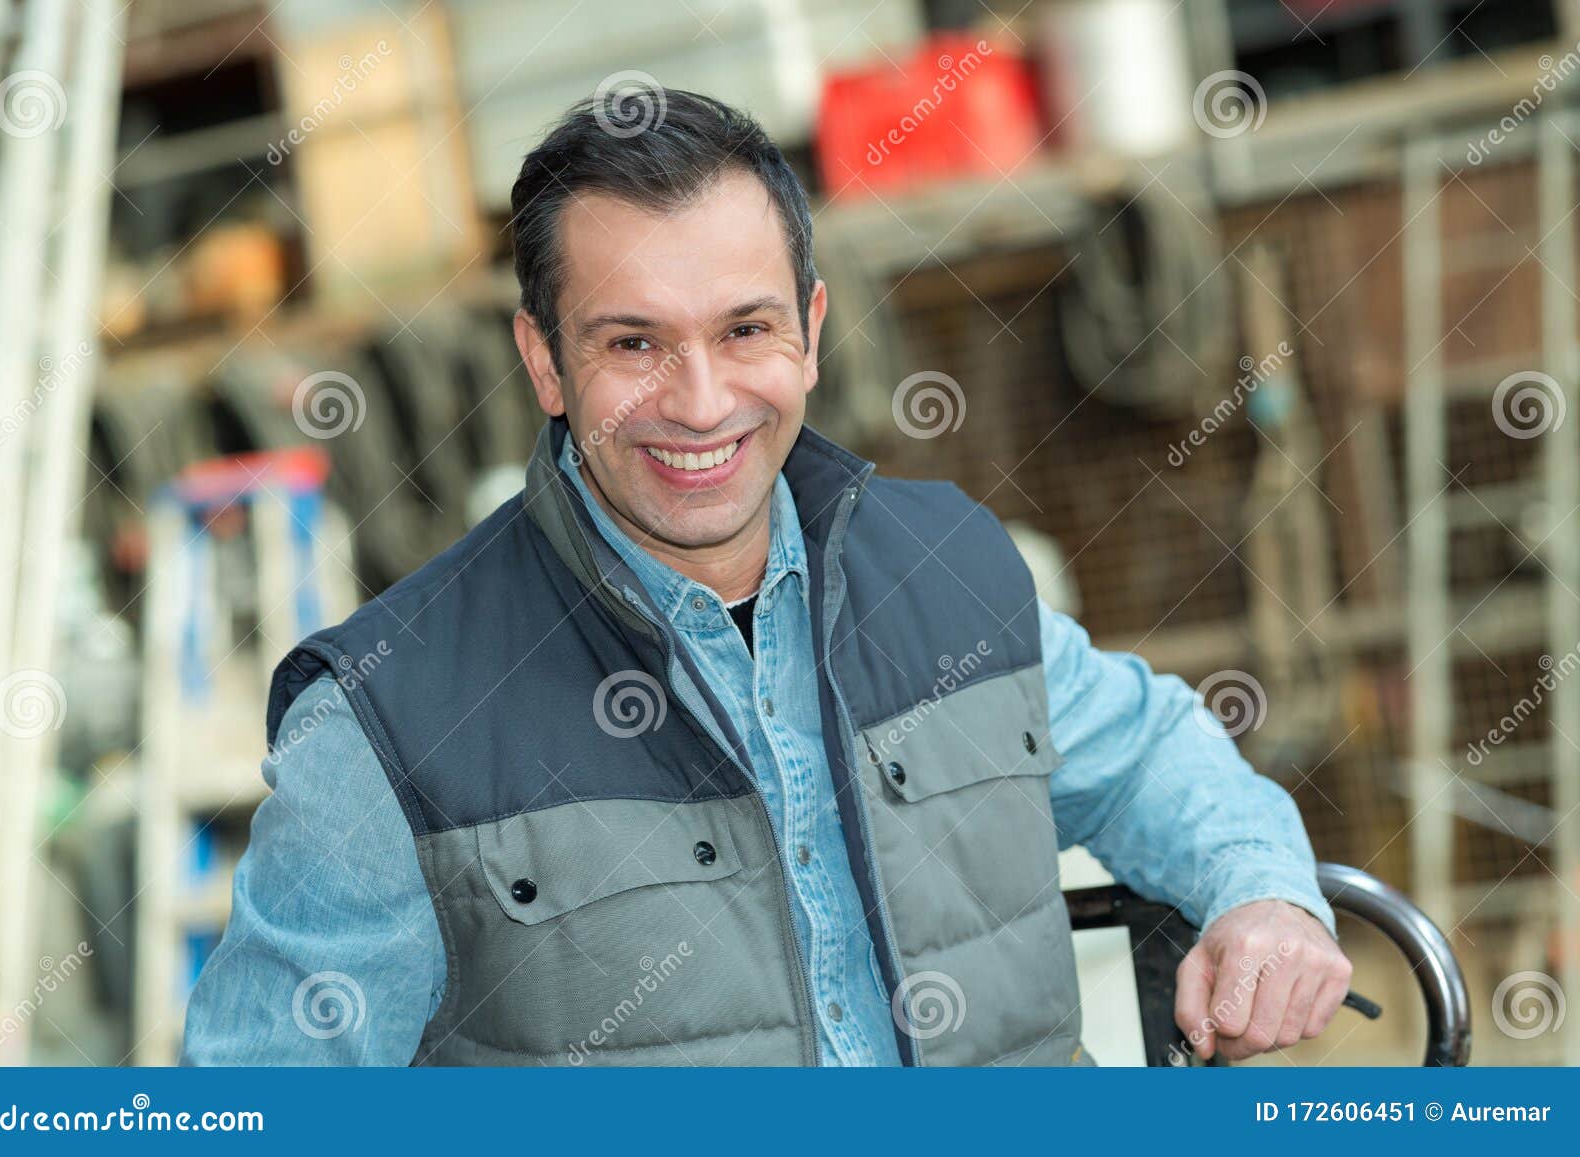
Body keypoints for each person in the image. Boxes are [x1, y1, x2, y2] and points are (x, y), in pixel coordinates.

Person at [181, 88, 1350, 1066]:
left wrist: (1262, 895)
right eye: (632, 343)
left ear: (812, 327)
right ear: (543, 360)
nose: (700, 402)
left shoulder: (951, 573)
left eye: (745, 330)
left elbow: (1150, 748)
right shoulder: (390, 716)